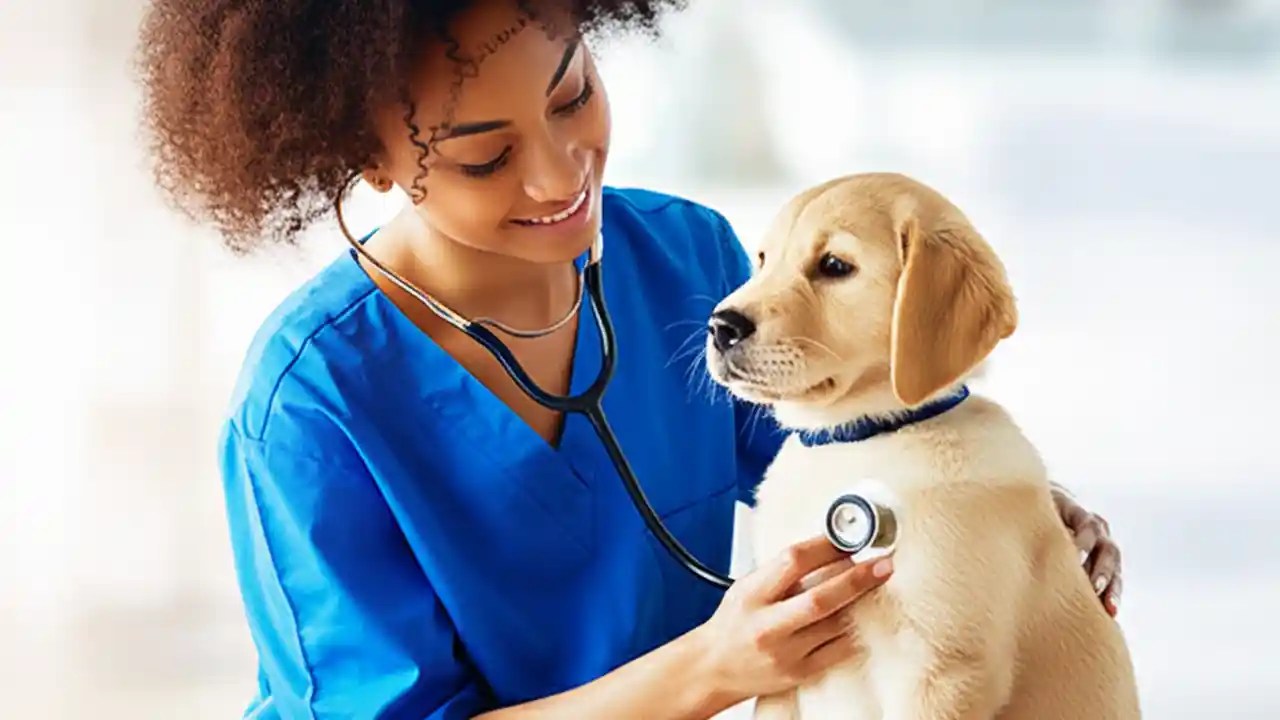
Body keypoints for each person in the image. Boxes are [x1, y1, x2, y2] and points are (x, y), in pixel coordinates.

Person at [137, 1, 1125, 717]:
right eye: (484, 156)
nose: (560, 174)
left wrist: (1008, 522)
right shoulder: (313, 405)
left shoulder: (685, 260)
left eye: (572, 98)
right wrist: (714, 669)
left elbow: (845, 447)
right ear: (370, 159)